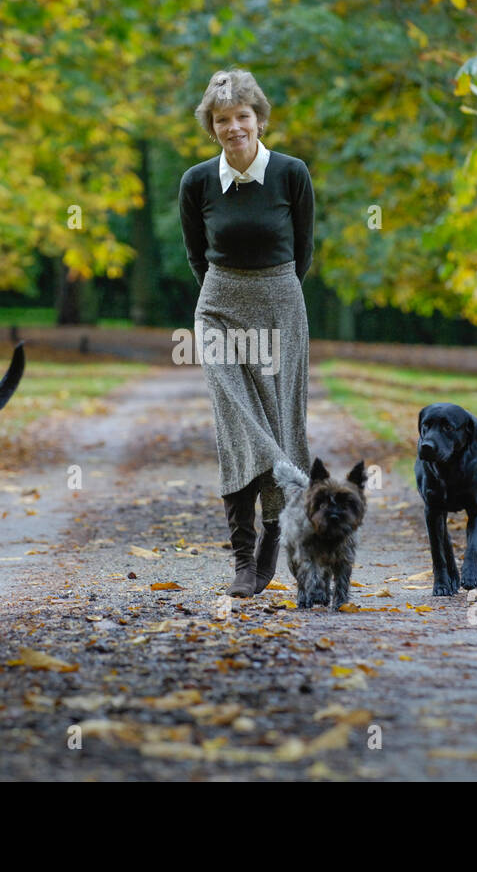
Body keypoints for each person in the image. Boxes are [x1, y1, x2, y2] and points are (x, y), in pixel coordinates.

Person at [178, 68, 314, 597]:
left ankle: (273, 539)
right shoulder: (196, 182)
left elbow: (303, 250)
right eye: (222, 120)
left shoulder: (290, 173)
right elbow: (196, 254)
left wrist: (276, 294)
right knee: (234, 422)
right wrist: (223, 293)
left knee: (280, 422)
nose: (233, 127)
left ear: (258, 120)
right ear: (211, 127)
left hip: (281, 305)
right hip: (218, 307)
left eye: (242, 117)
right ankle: (241, 556)